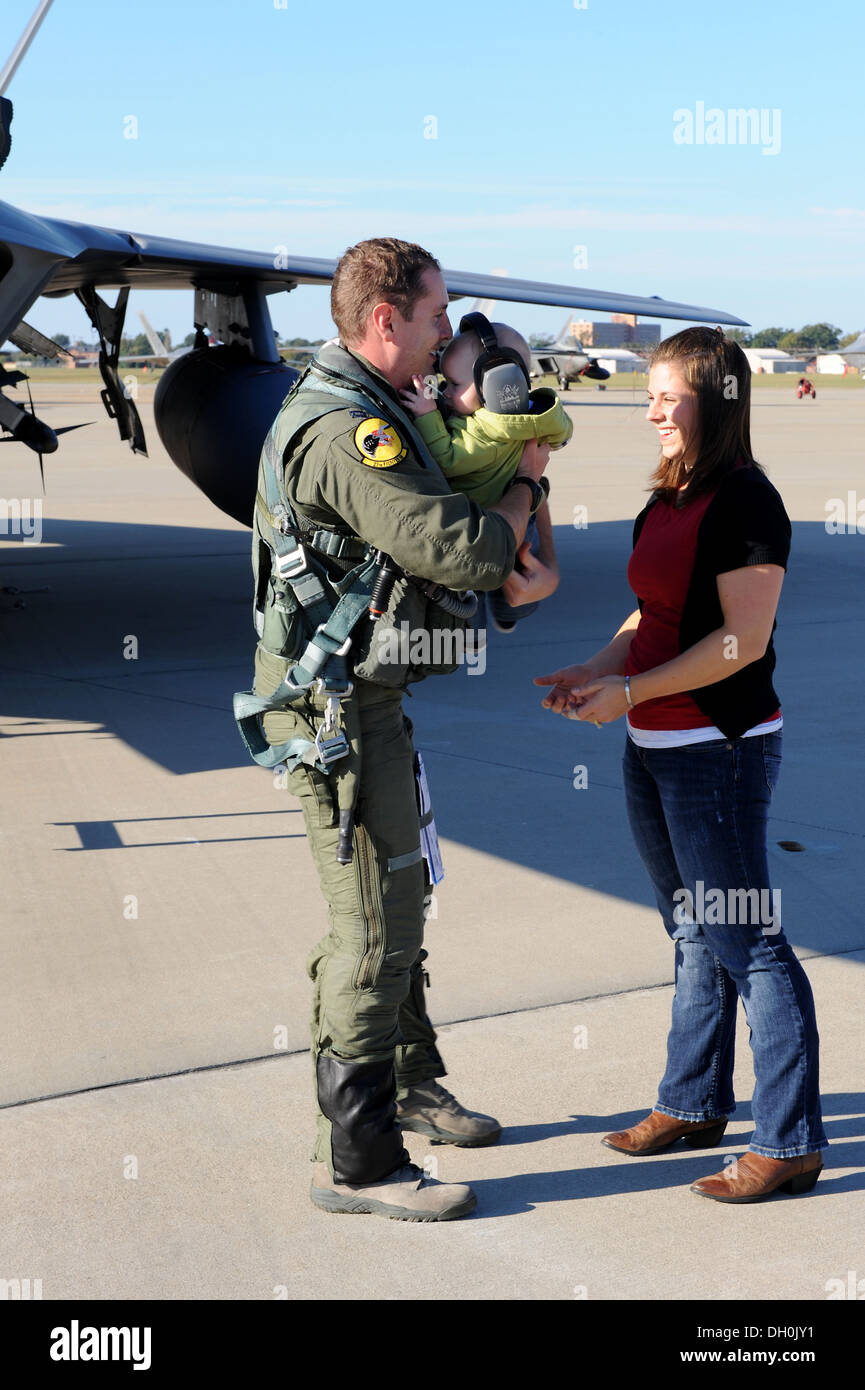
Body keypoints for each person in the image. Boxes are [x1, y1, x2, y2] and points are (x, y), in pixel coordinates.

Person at [238, 237, 557, 1221]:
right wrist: (529, 481)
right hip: (338, 714)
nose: (439, 340)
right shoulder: (349, 433)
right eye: (431, 320)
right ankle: (361, 1162)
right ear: (385, 321)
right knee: (371, 931)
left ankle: (406, 1083)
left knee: (397, 904)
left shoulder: (376, 409)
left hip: (370, 696)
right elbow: (461, 551)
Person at [535, 326, 828, 1203]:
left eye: (669, 396)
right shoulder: (667, 498)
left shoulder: (746, 502)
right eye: (650, 395)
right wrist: (597, 669)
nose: (652, 410)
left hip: (717, 754)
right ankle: (692, 1103)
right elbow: (649, 613)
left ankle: (789, 1143)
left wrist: (630, 694)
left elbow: (741, 643)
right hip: (653, 748)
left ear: (717, 401)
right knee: (694, 932)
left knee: (750, 944)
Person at [399, 317, 569, 632]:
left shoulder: (486, 431)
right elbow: (563, 430)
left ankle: (473, 632)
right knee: (516, 564)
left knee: (471, 578)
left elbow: (448, 458)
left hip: (482, 520)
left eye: (454, 384)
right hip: (522, 512)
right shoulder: (530, 415)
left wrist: (427, 414)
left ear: (501, 386)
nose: (445, 392)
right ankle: (509, 615)